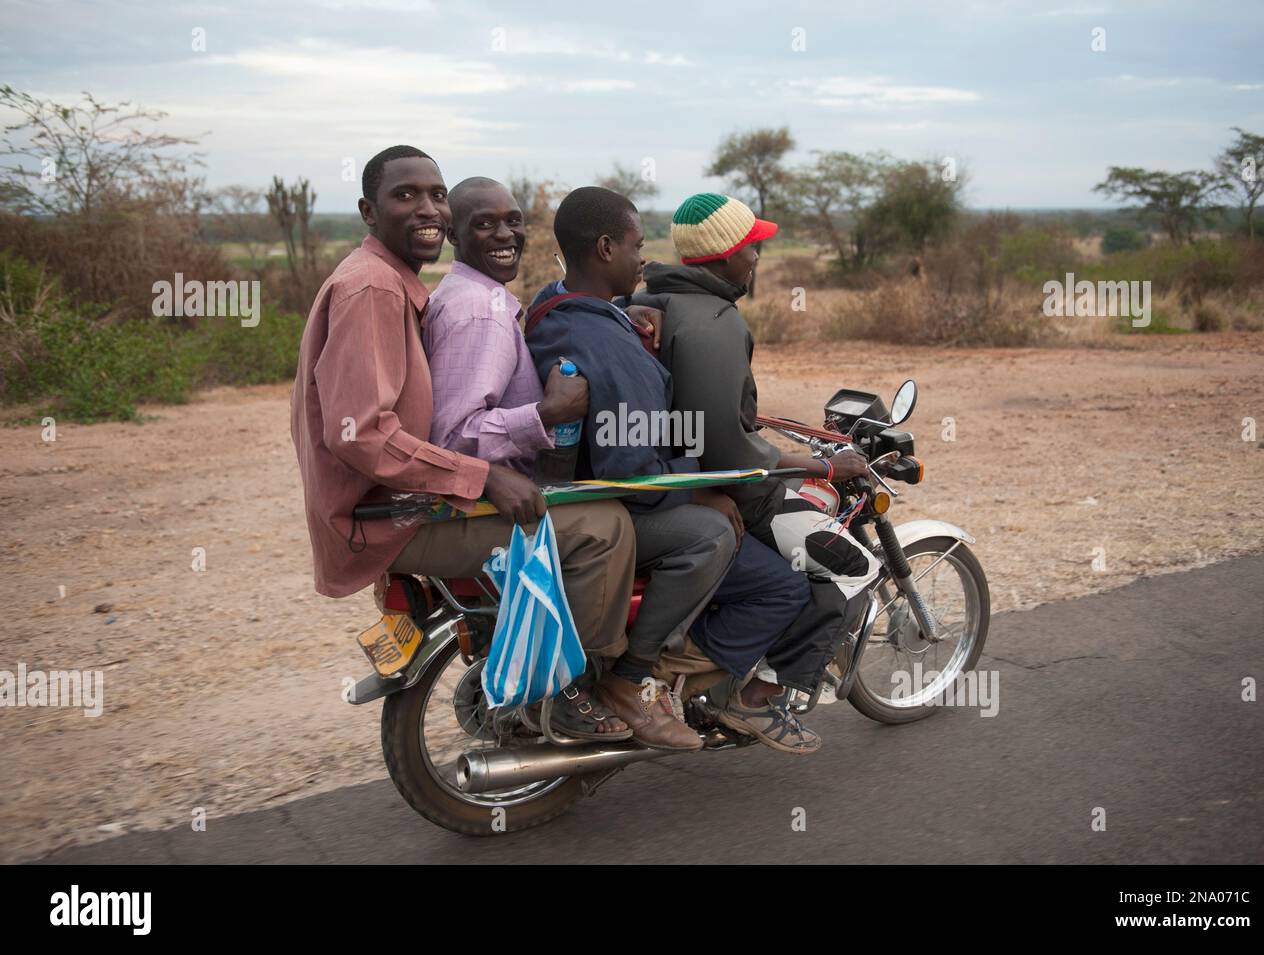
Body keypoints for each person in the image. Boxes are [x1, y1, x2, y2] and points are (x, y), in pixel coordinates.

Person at [289, 147, 637, 742]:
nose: (428, 210)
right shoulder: (373, 289)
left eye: (436, 195)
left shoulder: (397, 284)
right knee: (605, 527)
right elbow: (363, 434)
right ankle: (576, 691)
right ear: (368, 210)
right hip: (392, 515)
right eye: (406, 196)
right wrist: (490, 470)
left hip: (392, 503)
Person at [527, 187, 824, 755]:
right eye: (637, 247)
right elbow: (633, 466)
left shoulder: (561, 306)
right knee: (727, 544)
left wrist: (623, 310)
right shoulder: (659, 335)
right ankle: (635, 677)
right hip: (619, 502)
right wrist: (698, 492)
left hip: (583, 490)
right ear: (607, 247)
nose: (645, 261)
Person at [631, 192, 880, 724]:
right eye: (752, 248)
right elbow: (727, 448)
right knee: (857, 568)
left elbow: (699, 413)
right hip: (735, 494)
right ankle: (756, 694)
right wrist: (825, 465)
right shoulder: (716, 322)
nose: (757, 258)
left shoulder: (656, 300)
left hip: (677, 482)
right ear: (724, 254)